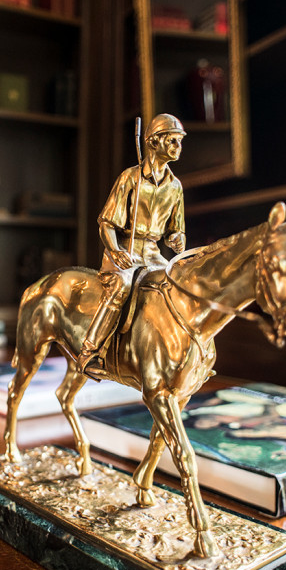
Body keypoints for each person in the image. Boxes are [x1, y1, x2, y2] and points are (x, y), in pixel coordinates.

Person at [77, 113, 187, 374]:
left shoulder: (175, 187)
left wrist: (177, 240)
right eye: (172, 141)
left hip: (154, 254)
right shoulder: (130, 178)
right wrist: (115, 251)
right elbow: (106, 223)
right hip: (124, 251)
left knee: (180, 286)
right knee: (121, 287)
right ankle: (90, 353)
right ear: (153, 142)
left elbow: (176, 230)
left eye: (180, 142)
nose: (177, 147)